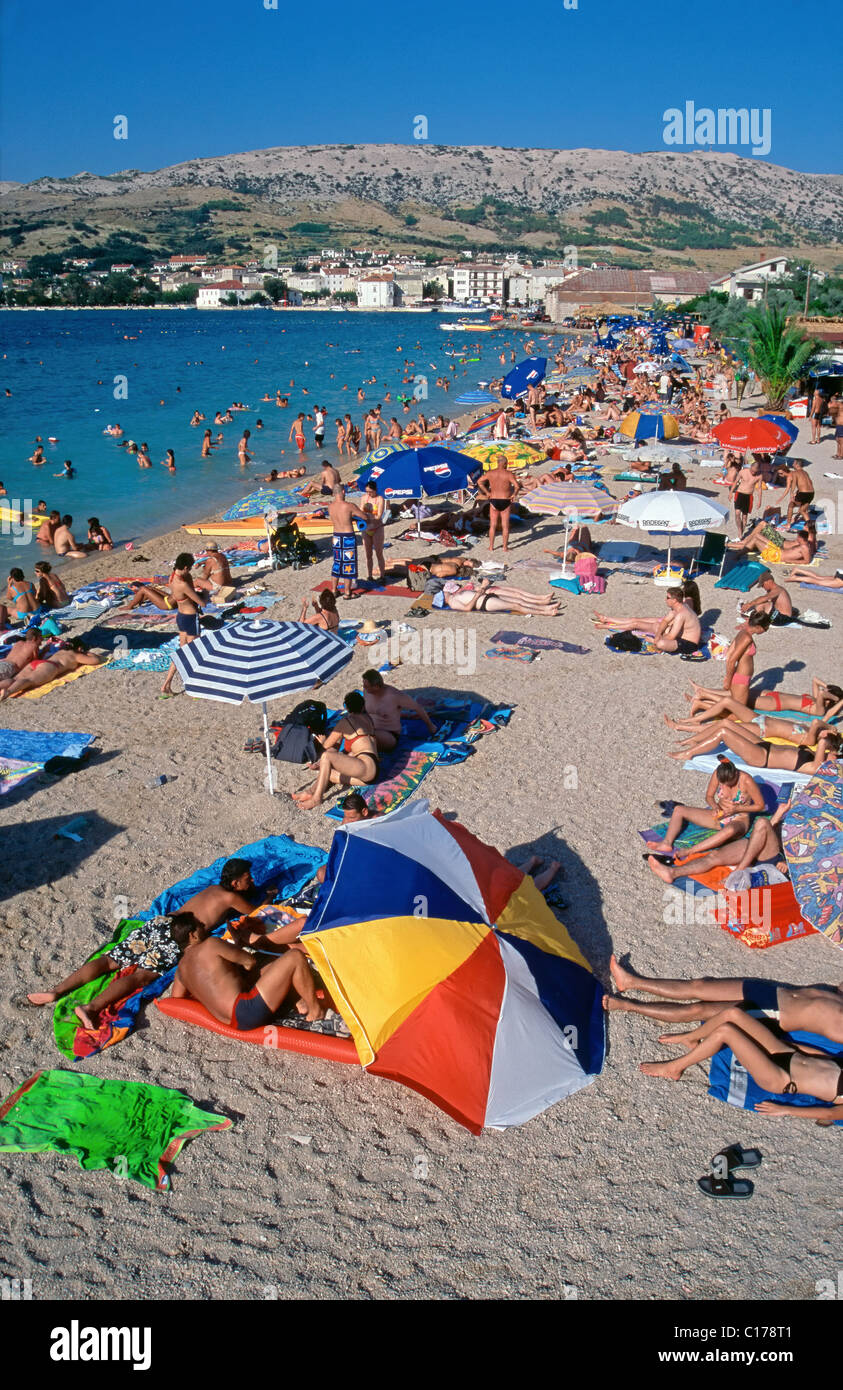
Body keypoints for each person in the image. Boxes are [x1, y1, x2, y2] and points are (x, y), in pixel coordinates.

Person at [604, 954, 843, 1047]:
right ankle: (631, 982)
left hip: (772, 1012)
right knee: (700, 985)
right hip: (774, 992)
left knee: (699, 1009)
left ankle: (628, 1005)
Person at [26, 911, 206, 1032]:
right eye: (200, 926)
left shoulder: (165, 920)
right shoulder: (182, 947)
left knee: (108, 961)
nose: (203, 925)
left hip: (156, 927)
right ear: (192, 935)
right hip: (169, 945)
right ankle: (90, 1008)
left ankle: (54, 992)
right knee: (139, 977)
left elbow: (175, 916)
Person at [171, 930, 324, 1028]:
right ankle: (316, 1012)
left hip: (230, 1020)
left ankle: (299, 1003)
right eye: (201, 926)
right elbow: (249, 962)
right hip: (246, 1011)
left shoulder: (181, 970)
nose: (205, 929)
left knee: (272, 967)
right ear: (192, 935)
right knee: (294, 957)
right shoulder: (210, 943)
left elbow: (176, 999)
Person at [645, 800, 788, 885]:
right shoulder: (801, 816)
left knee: (762, 822)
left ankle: (738, 871)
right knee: (713, 856)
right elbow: (771, 829)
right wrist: (780, 812)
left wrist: (788, 863)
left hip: (776, 857)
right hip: (763, 842)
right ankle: (673, 872)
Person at [646, 760, 765, 859]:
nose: (725, 787)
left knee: (729, 831)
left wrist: (737, 809)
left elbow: (760, 805)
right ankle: (666, 843)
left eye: (729, 784)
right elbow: (709, 796)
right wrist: (714, 806)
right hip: (719, 815)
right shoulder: (718, 773)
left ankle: (690, 851)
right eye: (722, 784)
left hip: (739, 819)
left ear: (735, 775)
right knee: (678, 809)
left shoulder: (746, 780)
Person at [291, 691, 380, 810]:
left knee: (327, 757)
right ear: (363, 706)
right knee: (329, 774)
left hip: (365, 768)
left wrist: (322, 741)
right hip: (372, 771)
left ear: (346, 707)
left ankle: (317, 799)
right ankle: (310, 791)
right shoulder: (367, 718)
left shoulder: (346, 722)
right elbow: (339, 747)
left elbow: (327, 746)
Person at [592, 586, 702, 654]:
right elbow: (664, 621)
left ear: (674, 600)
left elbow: (671, 637)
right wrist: (658, 634)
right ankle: (606, 621)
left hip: (689, 644)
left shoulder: (681, 614)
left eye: (667, 598)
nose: (665, 600)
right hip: (678, 636)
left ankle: (606, 623)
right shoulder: (676, 608)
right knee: (655, 630)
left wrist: (655, 640)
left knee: (661, 644)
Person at [0, 637, 104, 700]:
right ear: (79, 648)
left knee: (15, 680)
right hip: (50, 667)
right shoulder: (76, 655)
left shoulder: (61, 651)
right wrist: (88, 653)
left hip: (38, 662)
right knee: (28, 681)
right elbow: (95, 661)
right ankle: (8, 692)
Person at [160, 554, 207, 696]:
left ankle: (166, 684)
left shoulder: (173, 577)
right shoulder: (183, 585)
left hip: (180, 616)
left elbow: (188, 584)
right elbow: (201, 602)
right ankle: (194, 685)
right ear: (185, 567)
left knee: (182, 651)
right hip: (191, 617)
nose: (190, 571)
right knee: (193, 652)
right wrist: (204, 594)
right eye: (190, 568)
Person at [361, 669, 437, 751]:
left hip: (389, 734)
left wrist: (431, 726)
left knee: (365, 738)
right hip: (371, 728)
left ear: (375, 687)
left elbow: (417, 707)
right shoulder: (366, 692)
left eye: (366, 686)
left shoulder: (394, 696)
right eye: (364, 684)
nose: (364, 687)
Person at [442, 577, 563, 616]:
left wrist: (480, 591)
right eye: (446, 593)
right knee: (517, 605)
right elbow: (467, 608)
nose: (447, 593)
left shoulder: (454, 597)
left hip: (486, 598)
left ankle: (545, 606)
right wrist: (477, 594)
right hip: (485, 603)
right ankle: (546, 612)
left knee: (518, 601)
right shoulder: (453, 602)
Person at [328, 485, 367, 601]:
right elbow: (364, 516)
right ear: (343, 491)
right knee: (348, 564)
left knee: (337, 563)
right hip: (347, 537)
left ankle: (334, 590)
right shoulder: (349, 506)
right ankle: (347, 592)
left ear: (334, 493)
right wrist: (355, 516)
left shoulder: (330, 507)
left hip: (336, 537)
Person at [476, 458, 523, 553]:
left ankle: (491, 547)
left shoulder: (490, 473)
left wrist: (487, 493)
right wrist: (514, 494)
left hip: (493, 499)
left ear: (497, 463)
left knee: (492, 525)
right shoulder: (508, 474)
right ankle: (505, 548)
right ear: (505, 464)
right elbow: (517, 486)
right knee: (505, 526)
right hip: (505, 500)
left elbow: (479, 482)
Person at [0, 630, 43, 694]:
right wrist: (44, 651)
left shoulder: (19, 643)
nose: (42, 639)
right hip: (9, 667)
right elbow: (35, 662)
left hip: (3, 663)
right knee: (11, 682)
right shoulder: (34, 646)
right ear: (34, 638)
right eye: (40, 636)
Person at [361, 481, 386, 583]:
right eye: (367, 491)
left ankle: (382, 576)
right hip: (366, 528)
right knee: (368, 554)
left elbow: (379, 515)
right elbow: (361, 512)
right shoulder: (364, 498)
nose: (369, 494)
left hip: (377, 528)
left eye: (370, 492)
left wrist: (370, 514)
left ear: (375, 490)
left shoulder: (380, 499)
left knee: (379, 553)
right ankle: (369, 575)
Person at [731, 460, 763, 538]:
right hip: (739, 493)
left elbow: (759, 488)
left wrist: (759, 501)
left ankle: (741, 533)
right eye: (752, 471)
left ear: (758, 470)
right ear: (751, 467)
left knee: (744, 517)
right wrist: (730, 492)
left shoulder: (759, 476)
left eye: (755, 472)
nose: (753, 473)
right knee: (737, 513)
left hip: (749, 496)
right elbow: (735, 481)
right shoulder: (743, 472)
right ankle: (739, 531)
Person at [780, 461, 815, 527]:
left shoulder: (794, 472)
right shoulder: (805, 472)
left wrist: (792, 494)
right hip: (811, 493)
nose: (792, 464)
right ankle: (810, 526)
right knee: (802, 510)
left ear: (797, 465)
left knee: (791, 505)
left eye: (793, 463)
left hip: (803, 493)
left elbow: (794, 484)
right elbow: (810, 482)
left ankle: (788, 524)